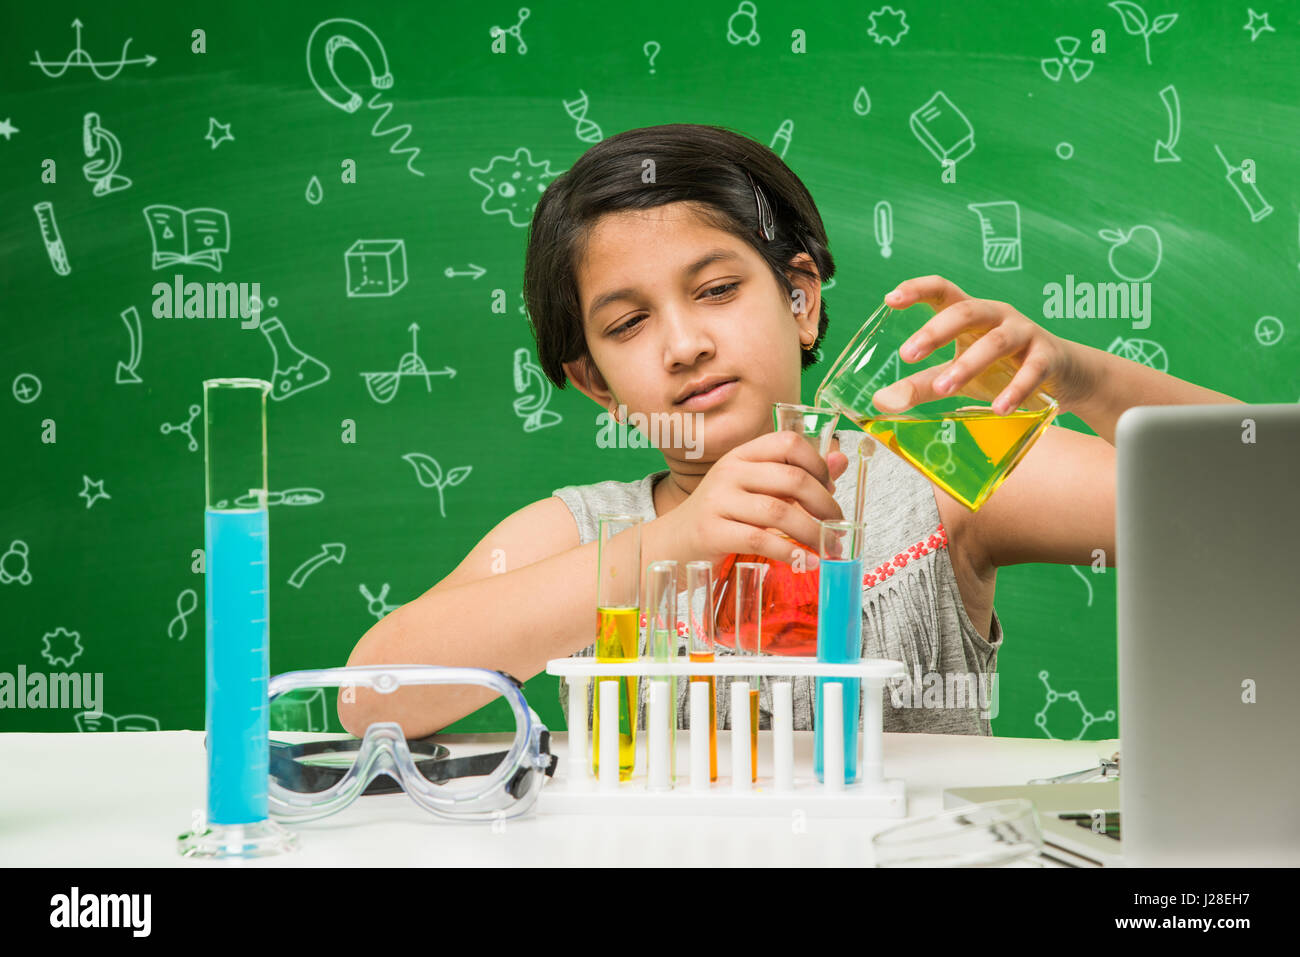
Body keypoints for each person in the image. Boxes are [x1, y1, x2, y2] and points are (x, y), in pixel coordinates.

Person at [341, 123, 1242, 739]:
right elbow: (368, 697)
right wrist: (672, 543)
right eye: (627, 325)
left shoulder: (932, 475)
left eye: (717, 289)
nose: (685, 343)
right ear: (596, 386)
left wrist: (1086, 375)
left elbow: (1255, 500)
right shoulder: (593, 533)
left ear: (803, 302)